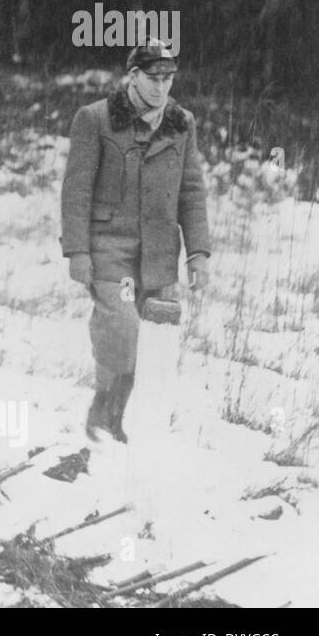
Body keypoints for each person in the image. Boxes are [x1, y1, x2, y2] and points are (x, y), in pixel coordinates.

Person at [60, 39, 211, 442]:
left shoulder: (181, 124)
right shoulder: (95, 119)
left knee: (156, 345)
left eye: (168, 78)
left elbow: (191, 191)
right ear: (132, 76)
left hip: (160, 253)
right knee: (122, 327)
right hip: (109, 248)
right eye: (153, 78)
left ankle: (123, 421)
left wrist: (198, 252)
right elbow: (77, 189)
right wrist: (77, 250)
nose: (162, 87)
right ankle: (104, 409)